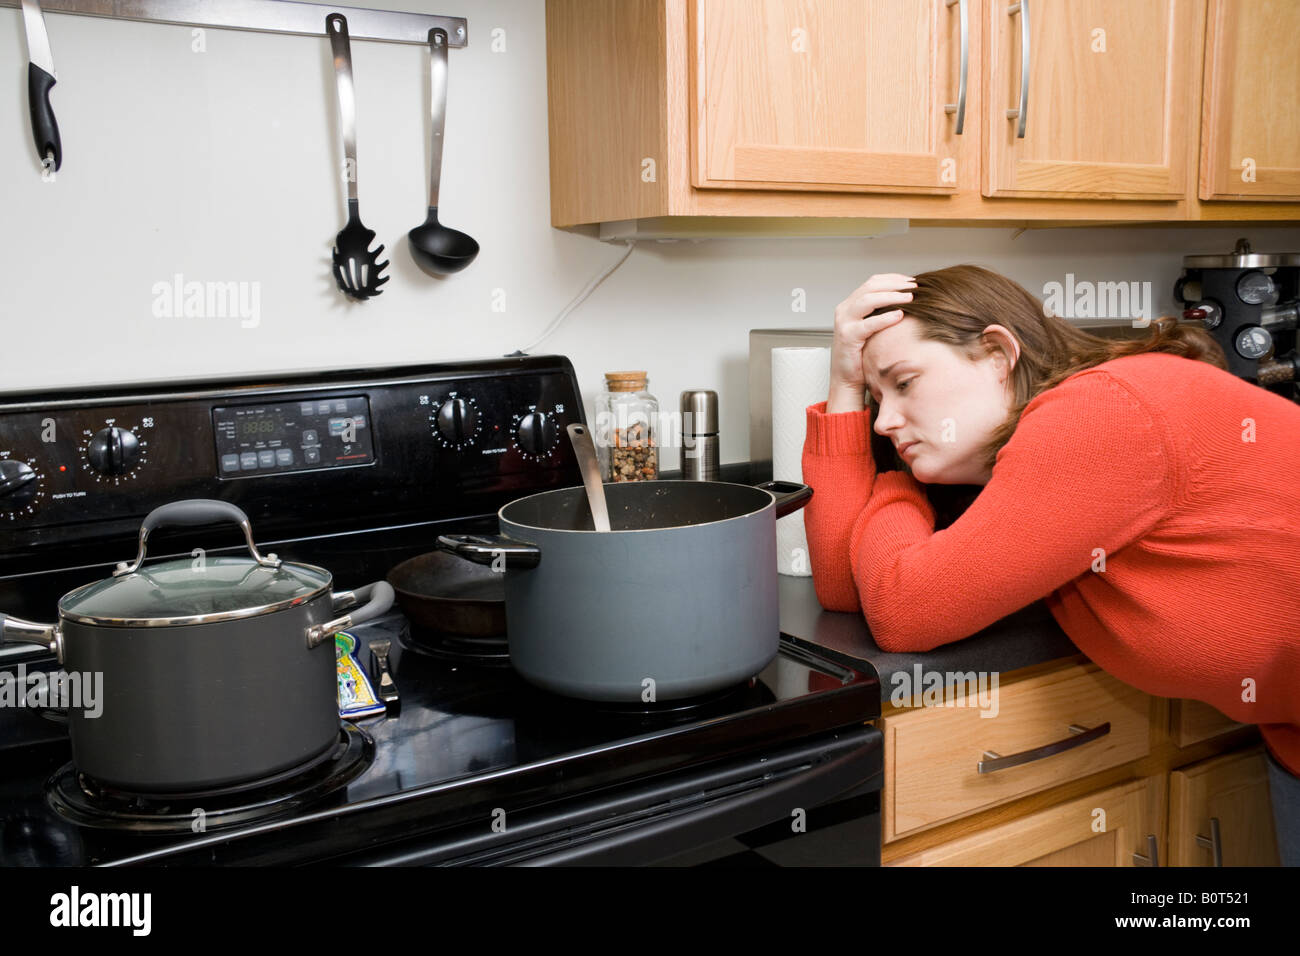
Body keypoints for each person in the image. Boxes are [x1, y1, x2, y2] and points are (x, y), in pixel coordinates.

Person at [801, 265, 1300, 866]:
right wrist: (843, 385)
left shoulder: (1095, 413)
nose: (883, 423)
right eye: (875, 401)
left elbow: (905, 607)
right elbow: (842, 585)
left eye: (904, 383)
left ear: (996, 353)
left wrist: (892, 483)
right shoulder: (1018, 455)